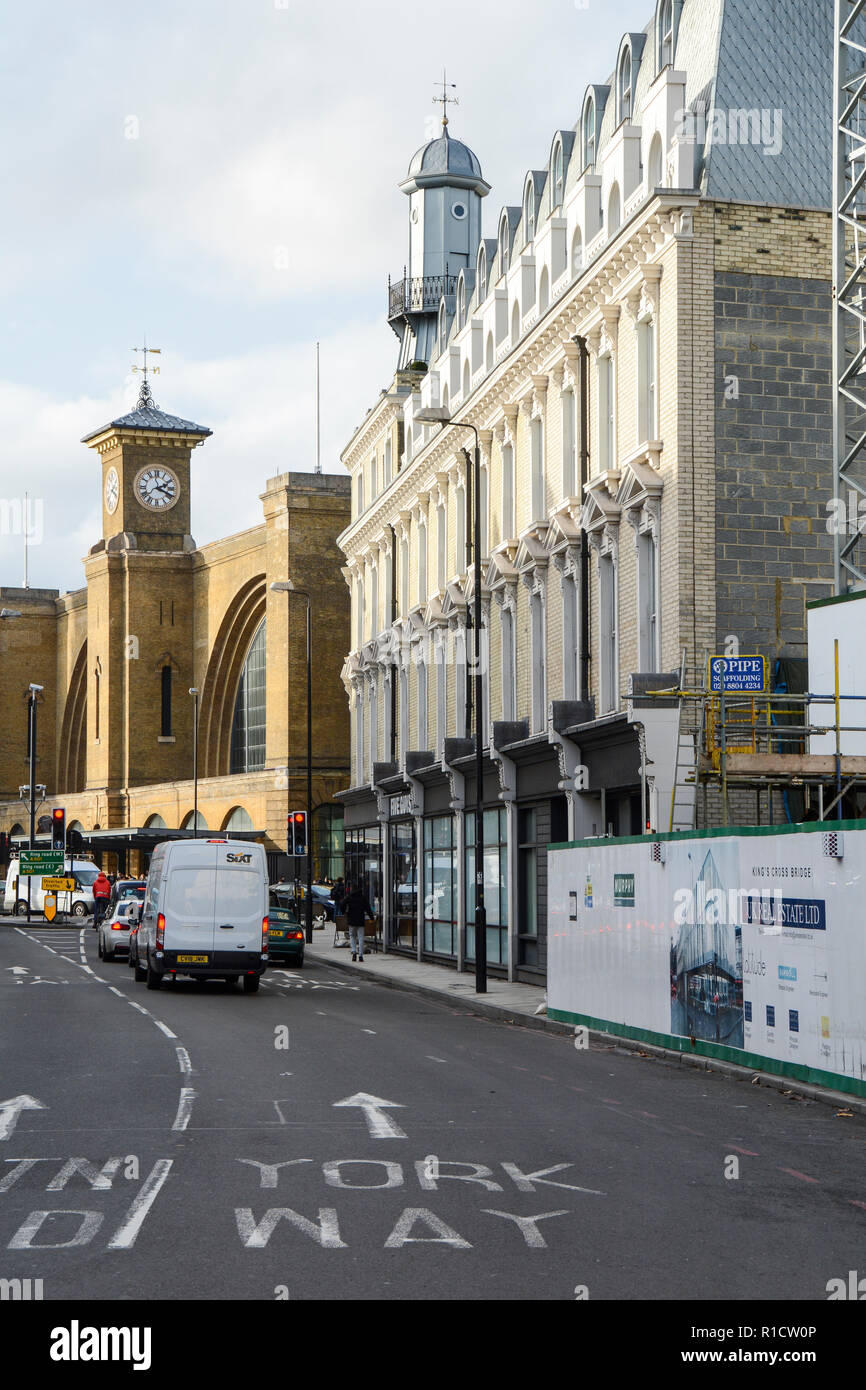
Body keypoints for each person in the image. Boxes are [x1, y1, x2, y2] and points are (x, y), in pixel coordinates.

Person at [343, 882, 375, 962]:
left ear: (352, 889)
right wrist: (371, 918)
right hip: (360, 920)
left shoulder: (349, 897)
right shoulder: (362, 897)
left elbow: (342, 903)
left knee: (352, 936)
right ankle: (360, 955)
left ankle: (354, 952)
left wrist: (344, 911)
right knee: (361, 938)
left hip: (352, 920)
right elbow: (368, 908)